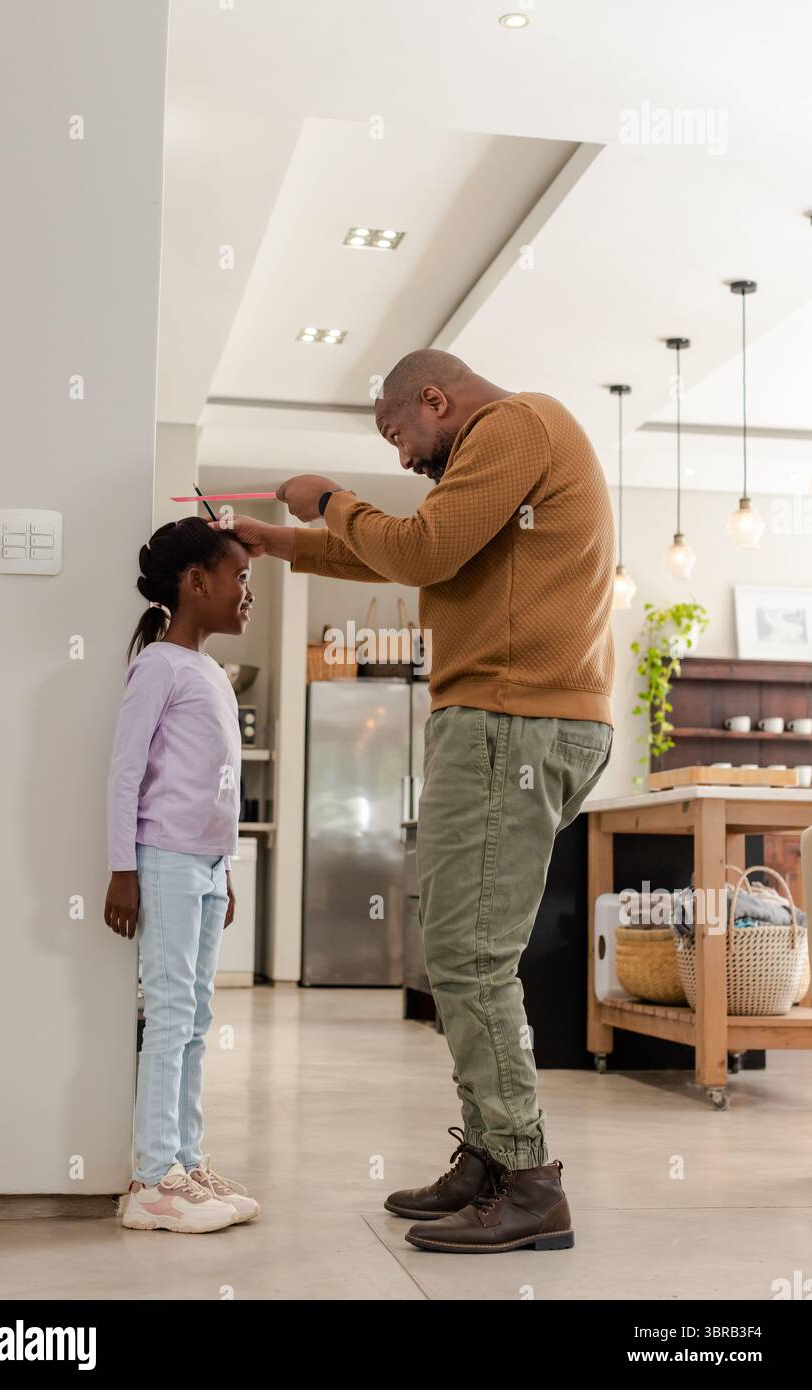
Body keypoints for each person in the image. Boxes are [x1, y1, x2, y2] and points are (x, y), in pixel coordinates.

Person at [223, 349, 615, 1254]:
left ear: (436, 399)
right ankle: (489, 1153)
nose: (401, 458)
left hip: (509, 721)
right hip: (513, 719)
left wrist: (327, 501)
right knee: (463, 948)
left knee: (468, 956)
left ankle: (526, 1179)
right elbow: (426, 561)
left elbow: (421, 545)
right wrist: (285, 542)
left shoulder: (512, 424)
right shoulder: (509, 447)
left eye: (399, 434)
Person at [105, 516, 260, 1234]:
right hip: (162, 860)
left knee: (197, 1016)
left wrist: (225, 869)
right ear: (196, 584)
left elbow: (215, 785)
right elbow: (126, 773)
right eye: (240, 578)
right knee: (170, 1015)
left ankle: (186, 1162)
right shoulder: (158, 666)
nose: (246, 592)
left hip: (202, 864)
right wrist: (121, 869)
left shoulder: (210, 672)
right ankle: (149, 1181)